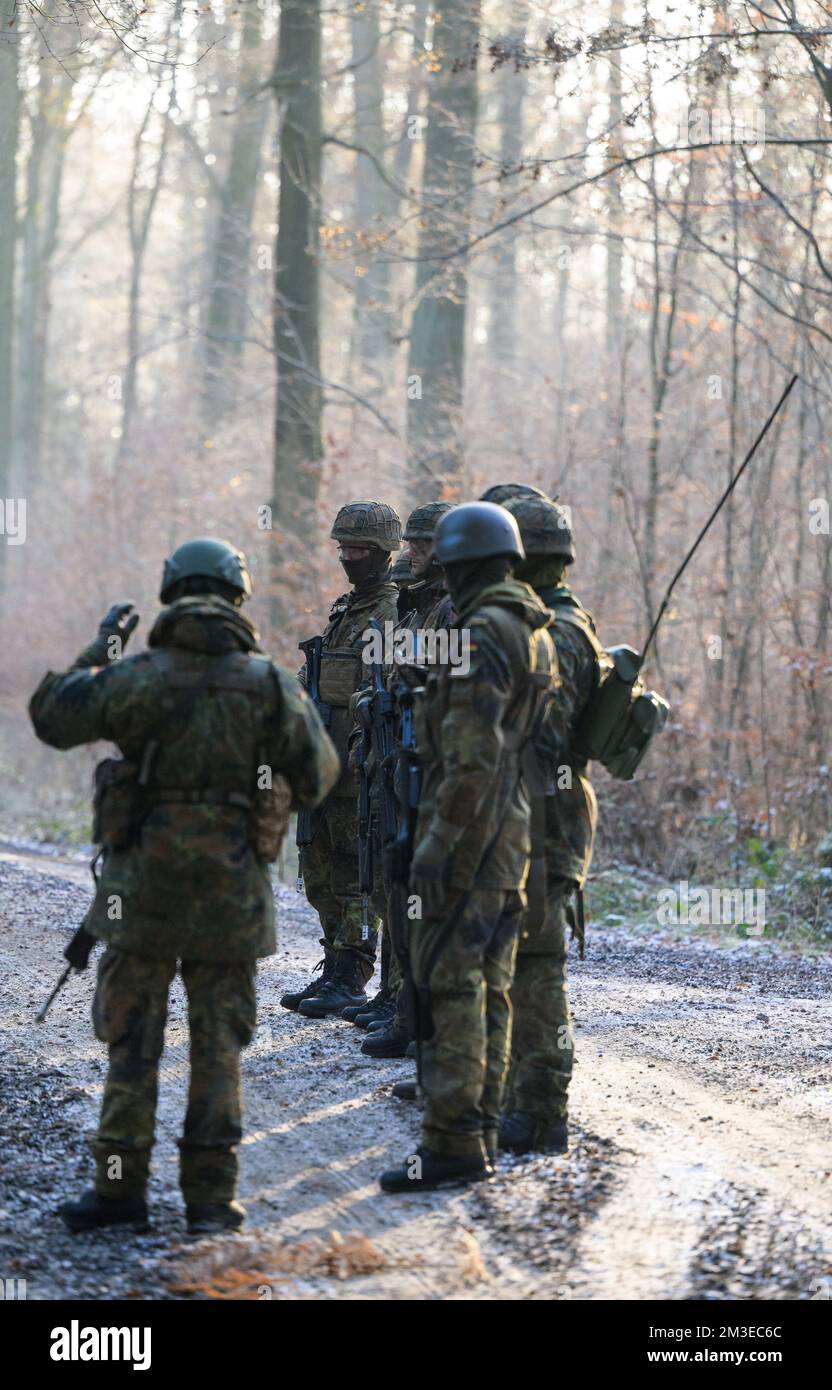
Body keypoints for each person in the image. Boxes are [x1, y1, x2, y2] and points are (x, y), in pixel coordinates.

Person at [29, 538, 340, 1234]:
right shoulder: (266, 683)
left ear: (170, 595)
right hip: (232, 893)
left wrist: (105, 644)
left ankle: (118, 1194)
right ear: (238, 597)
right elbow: (319, 779)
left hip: (140, 889)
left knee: (131, 1040)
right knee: (218, 1045)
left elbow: (53, 717)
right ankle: (209, 1200)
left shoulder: (136, 673)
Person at [380, 502, 558, 1193]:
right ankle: (478, 1130)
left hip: (471, 832)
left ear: (465, 567)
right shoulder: (530, 629)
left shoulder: (483, 633)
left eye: (448, 568)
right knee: (490, 985)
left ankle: (454, 1142)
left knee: (454, 983)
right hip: (511, 830)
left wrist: (437, 846)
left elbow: (475, 756)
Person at [499, 493, 598, 1155]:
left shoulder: (556, 633)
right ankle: (518, 1098)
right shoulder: (550, 620)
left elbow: (537, 736)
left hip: (546, 819)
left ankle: (543, 1109)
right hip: (533, 814)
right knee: (516, 956)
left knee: (538, 965)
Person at [284, 500, 402, 1020]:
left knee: (357, 874)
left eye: (359, 549)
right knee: (320, 867)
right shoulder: (348, 609)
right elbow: (318, 680)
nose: (348, 556)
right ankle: (335, 964)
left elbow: (387, 690)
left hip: (359, 764)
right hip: (324, 760)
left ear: (382, 552)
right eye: (343, 548)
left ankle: (353, 971)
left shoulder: (392, 613)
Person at [354, 500, 456, 1060]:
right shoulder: (416, 606)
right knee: (393, 884)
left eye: (422, 543)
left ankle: (414, 1012)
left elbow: (435, 679)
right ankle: (401, 1000)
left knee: (416, 892)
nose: (410, 551)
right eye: (410, 541)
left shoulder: (449, 609)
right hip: (397, 759)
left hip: (427, 765)